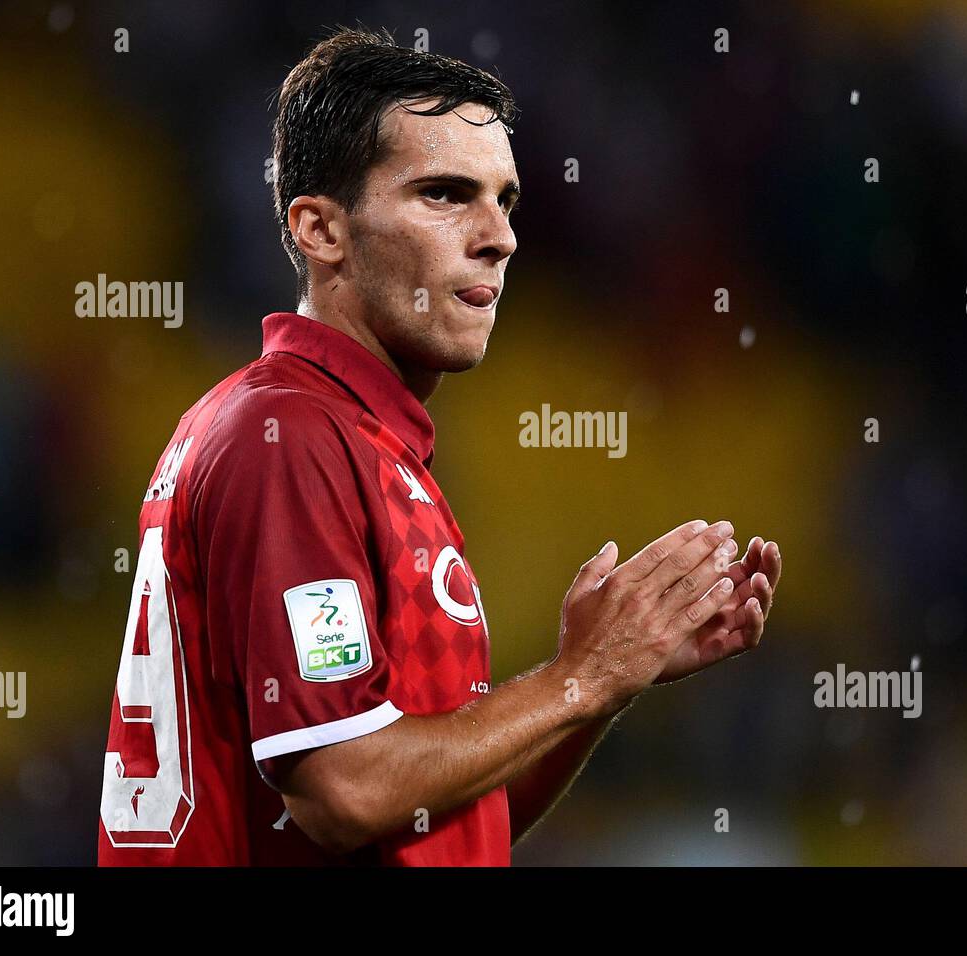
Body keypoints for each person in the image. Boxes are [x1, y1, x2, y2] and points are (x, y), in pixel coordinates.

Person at [99, 25, 781, 866]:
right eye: (446, 194)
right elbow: (345, 790)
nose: (499, 235)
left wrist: (602, 681)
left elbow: (434, 821)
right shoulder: (288, 438)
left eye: (506, 199)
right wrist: (584, 676)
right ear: (319, 230)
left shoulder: (358, 440)